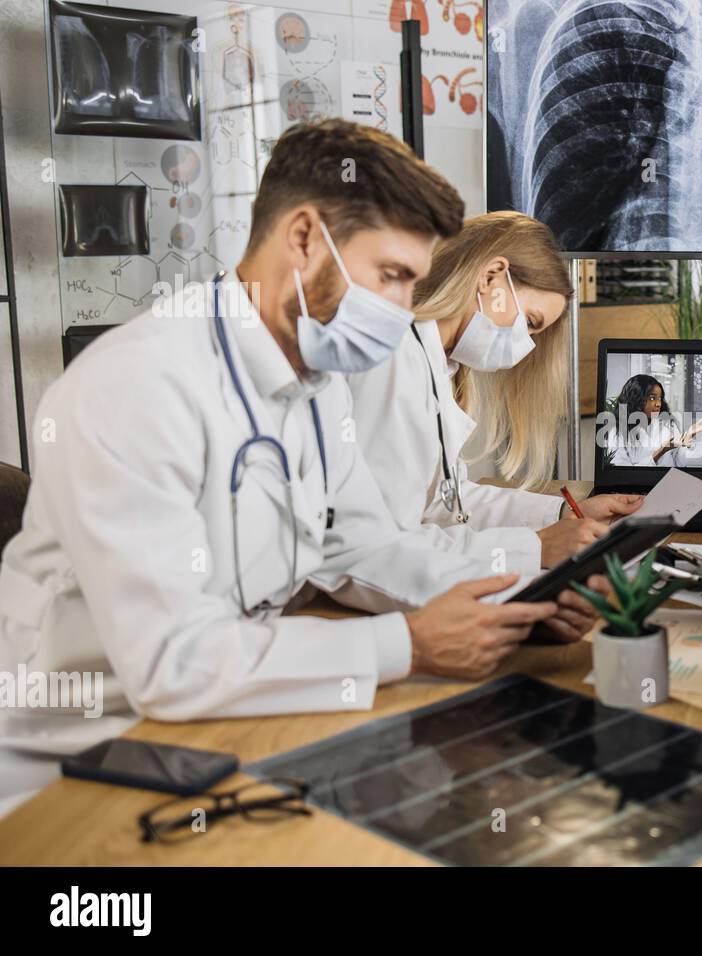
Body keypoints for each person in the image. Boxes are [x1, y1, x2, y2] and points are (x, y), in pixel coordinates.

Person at [0, 120, 602, 814]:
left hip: (218, 726)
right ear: (306, 239)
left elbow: (364, 548)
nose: (406, 310)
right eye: (393, 276)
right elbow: (174, 664)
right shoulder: (137, 385)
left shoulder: (313, 385)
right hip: (74, 763)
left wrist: (525, 595)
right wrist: (404, 644)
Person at [345, 211, 640, 568]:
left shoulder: (434, 364)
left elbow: (445, 504)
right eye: (530, 322)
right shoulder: (393, 358)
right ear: (490, 277)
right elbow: (377, 548)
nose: (526, 345)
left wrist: (563, 513)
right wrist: (534, 548)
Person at [606, 374, 702, 467]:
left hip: (669, 483)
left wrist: (688, 440)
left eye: (660, 398)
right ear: (636, 398)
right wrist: (659, 452)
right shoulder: (617, 431)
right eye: (652, 398)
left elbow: (679, 462)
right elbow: (624, 474)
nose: (658, 404)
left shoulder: (666, 423)